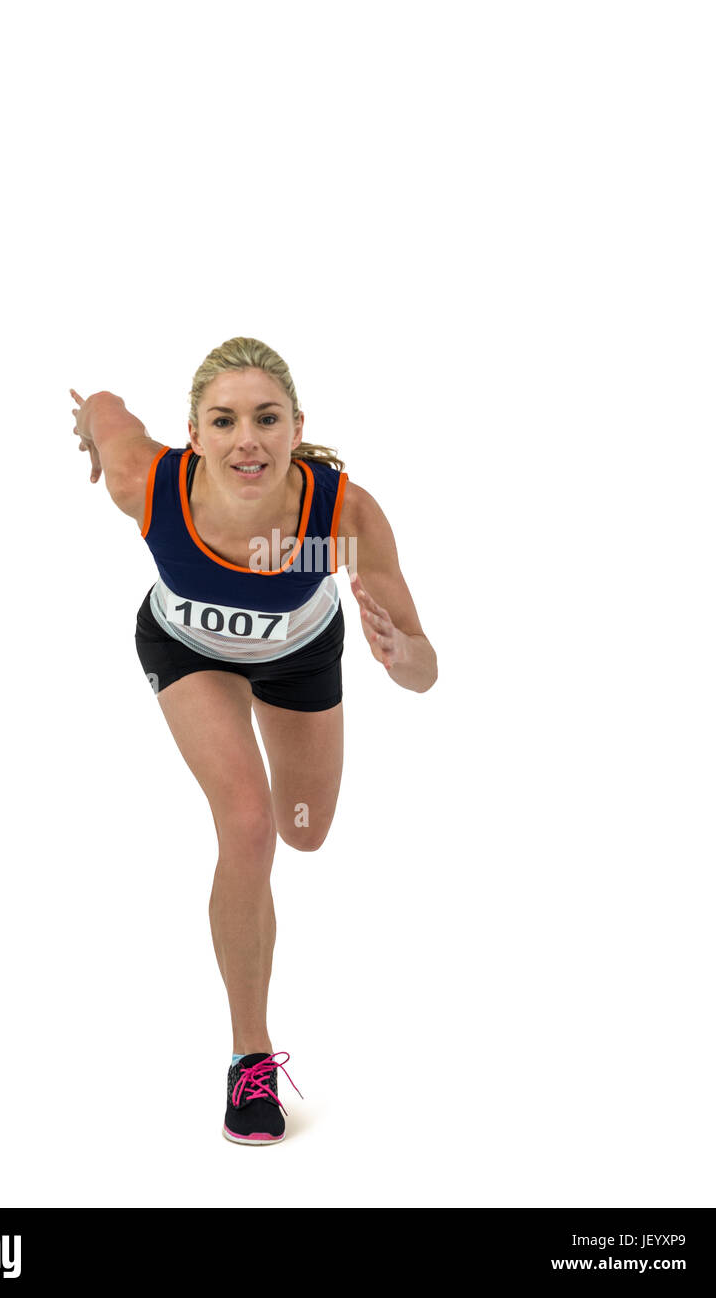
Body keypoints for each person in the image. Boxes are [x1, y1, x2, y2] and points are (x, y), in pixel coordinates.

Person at [70, 335, 437, 1145]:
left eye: (267, 419)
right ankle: (250, 1059)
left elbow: (425, 671)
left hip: (301, 659)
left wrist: (405, 655)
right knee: (248, 821)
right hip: (186, 650)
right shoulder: (144, 484)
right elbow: (107, 413)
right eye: (224, 420)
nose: (248, 440)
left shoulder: (341, 514)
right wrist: (89, 423)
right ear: (194, 434)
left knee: (305, 834)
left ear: (296, 426)